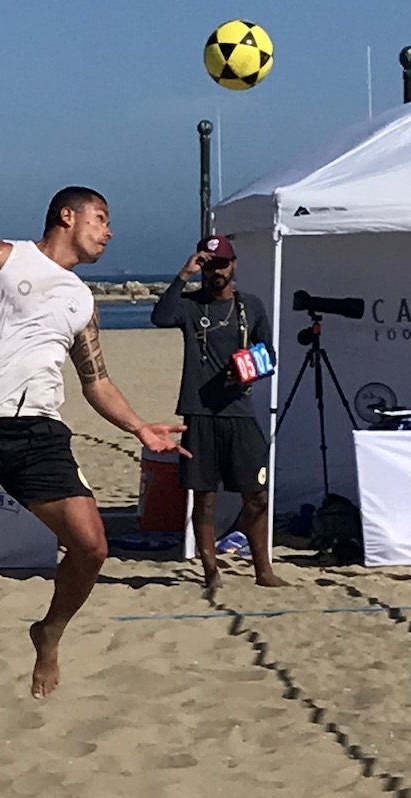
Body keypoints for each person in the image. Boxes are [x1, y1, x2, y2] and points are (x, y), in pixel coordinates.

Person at [0, 186, 185, 699]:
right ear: (68, 216)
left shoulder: (82, 300)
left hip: (39, 430)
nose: (109, 232)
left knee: (92, 546)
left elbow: (96, 381)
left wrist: (140, 427)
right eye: (101, 219)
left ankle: (49, 631)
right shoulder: (2, 255)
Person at [151, 234, 286, 594]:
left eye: (222, 264)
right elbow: (160, 316)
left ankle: (263, 569)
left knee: (255, 494)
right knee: (204, 495)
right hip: (199, 412)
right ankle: (211, 570)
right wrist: (184, 274)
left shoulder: (250, 307)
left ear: (234, 264)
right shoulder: (192, 305)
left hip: (239, 411)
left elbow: (269, 355)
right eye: (209, 265)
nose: (216, 272)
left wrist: (246, 370)